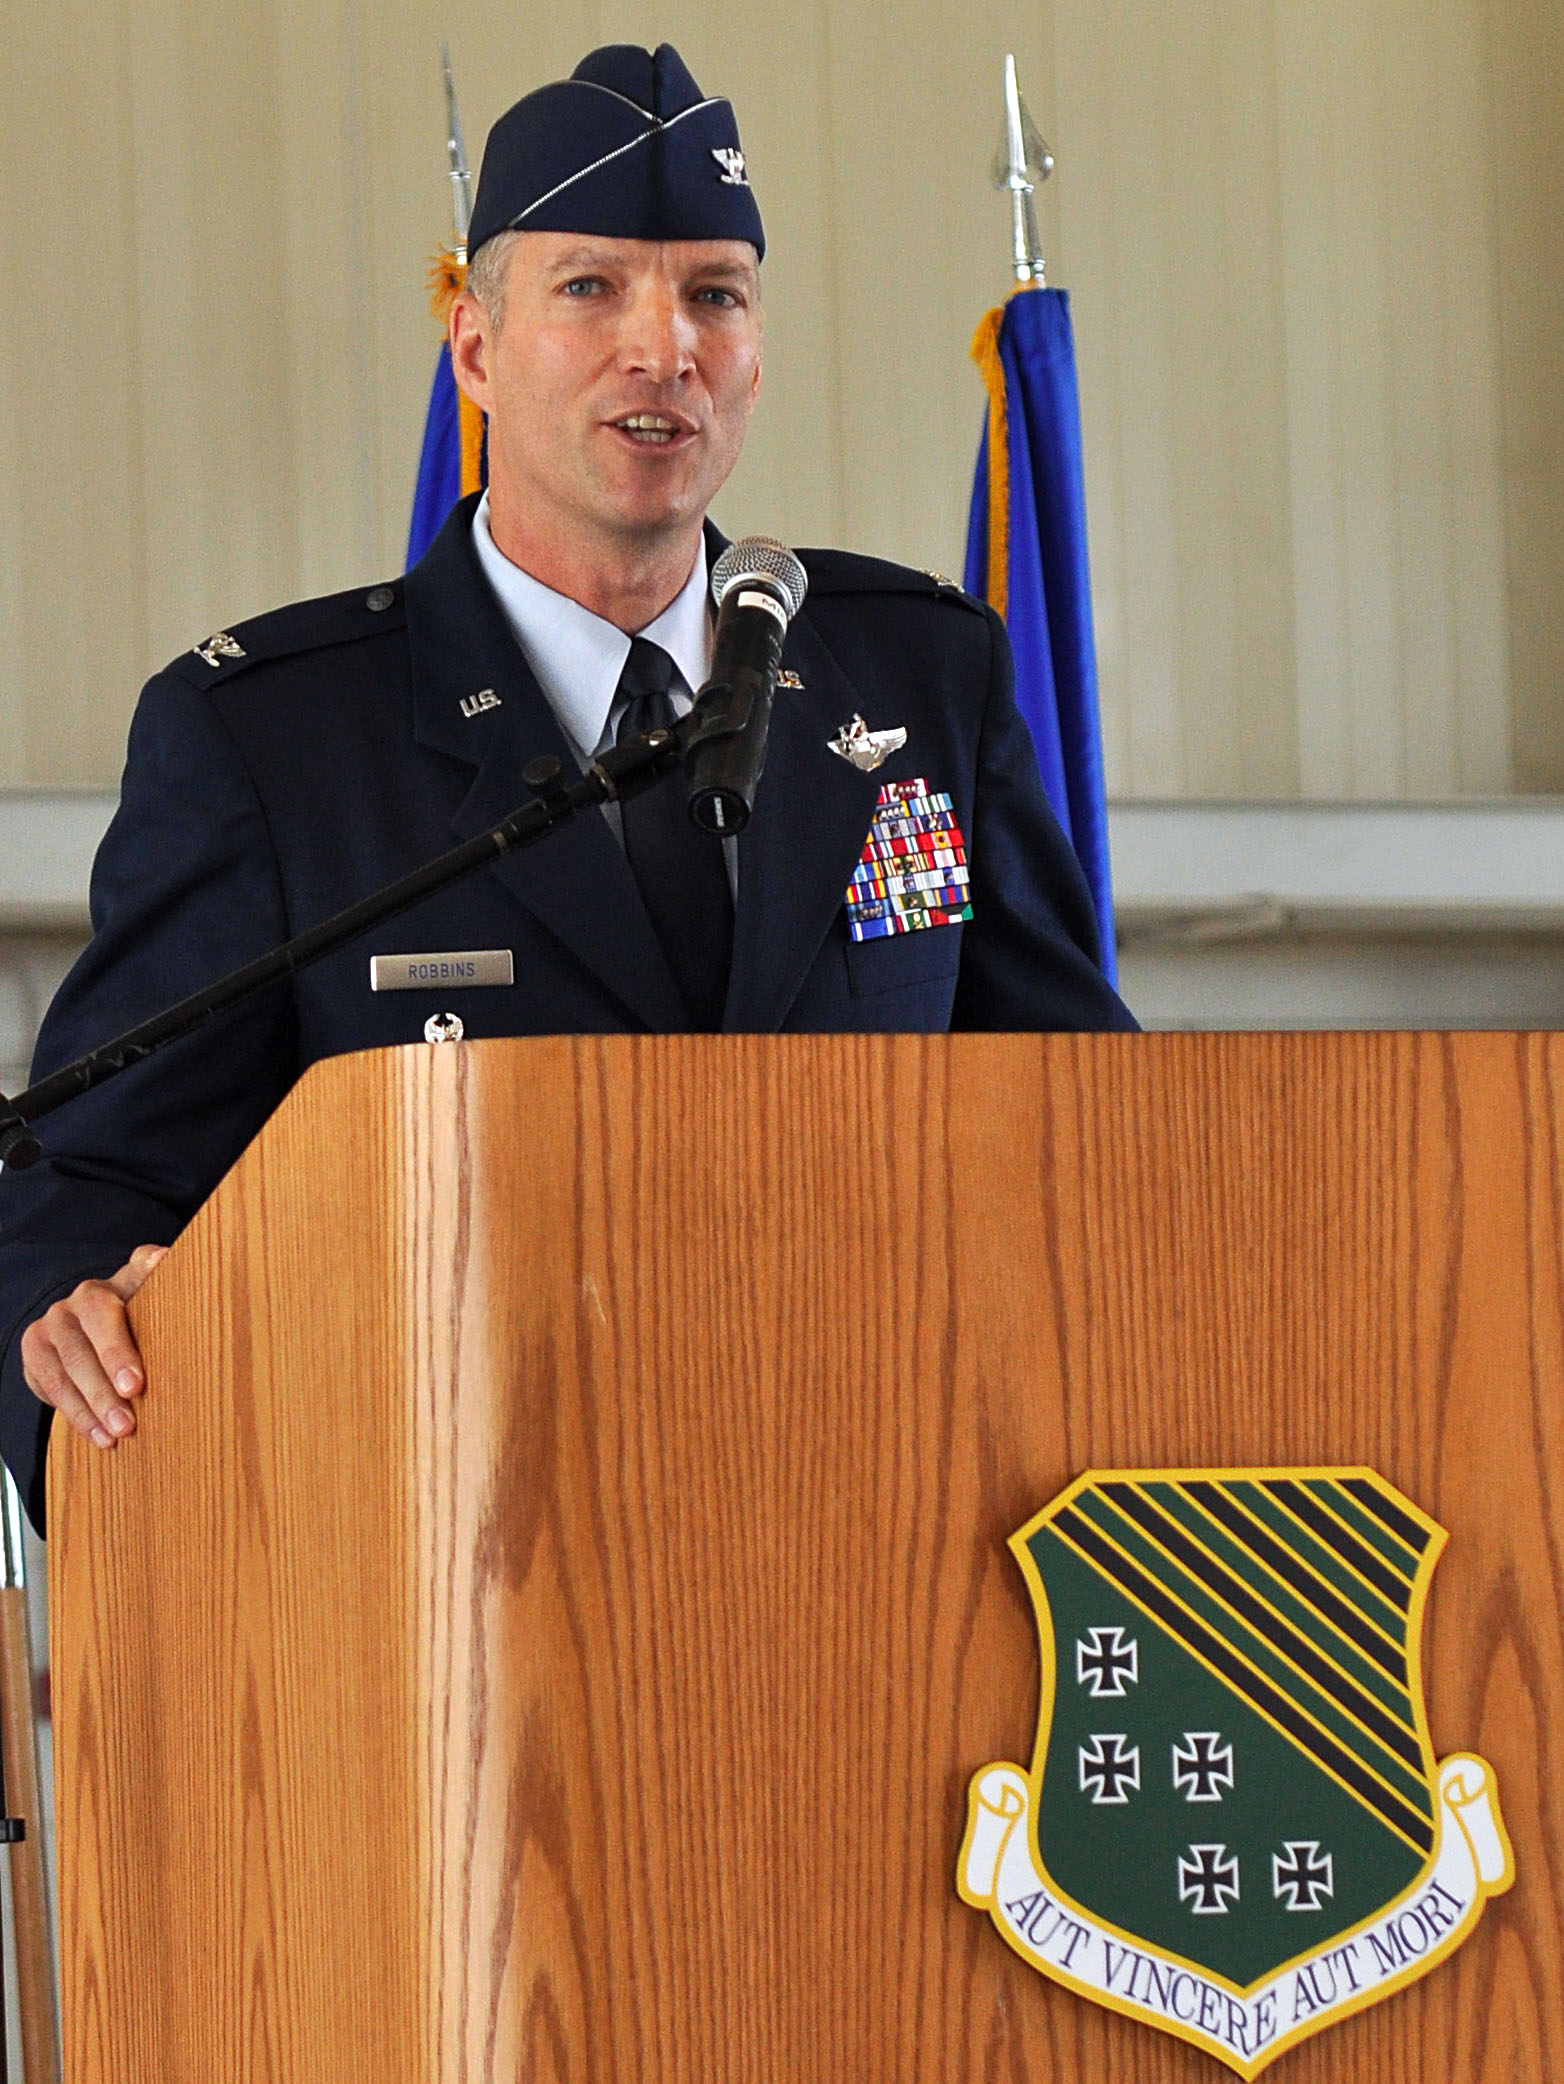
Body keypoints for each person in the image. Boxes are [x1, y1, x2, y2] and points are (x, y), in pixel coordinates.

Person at [0, 42, 1135, 1533]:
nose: (662, 346)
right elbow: (85, 1183)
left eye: (715, 295)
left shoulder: (918, 680)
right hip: (457, 1551)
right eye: (592, 288)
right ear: (474, 349)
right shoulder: (277, 744)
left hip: (877, 1520)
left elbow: (1094, 1122)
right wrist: (62, 1320)